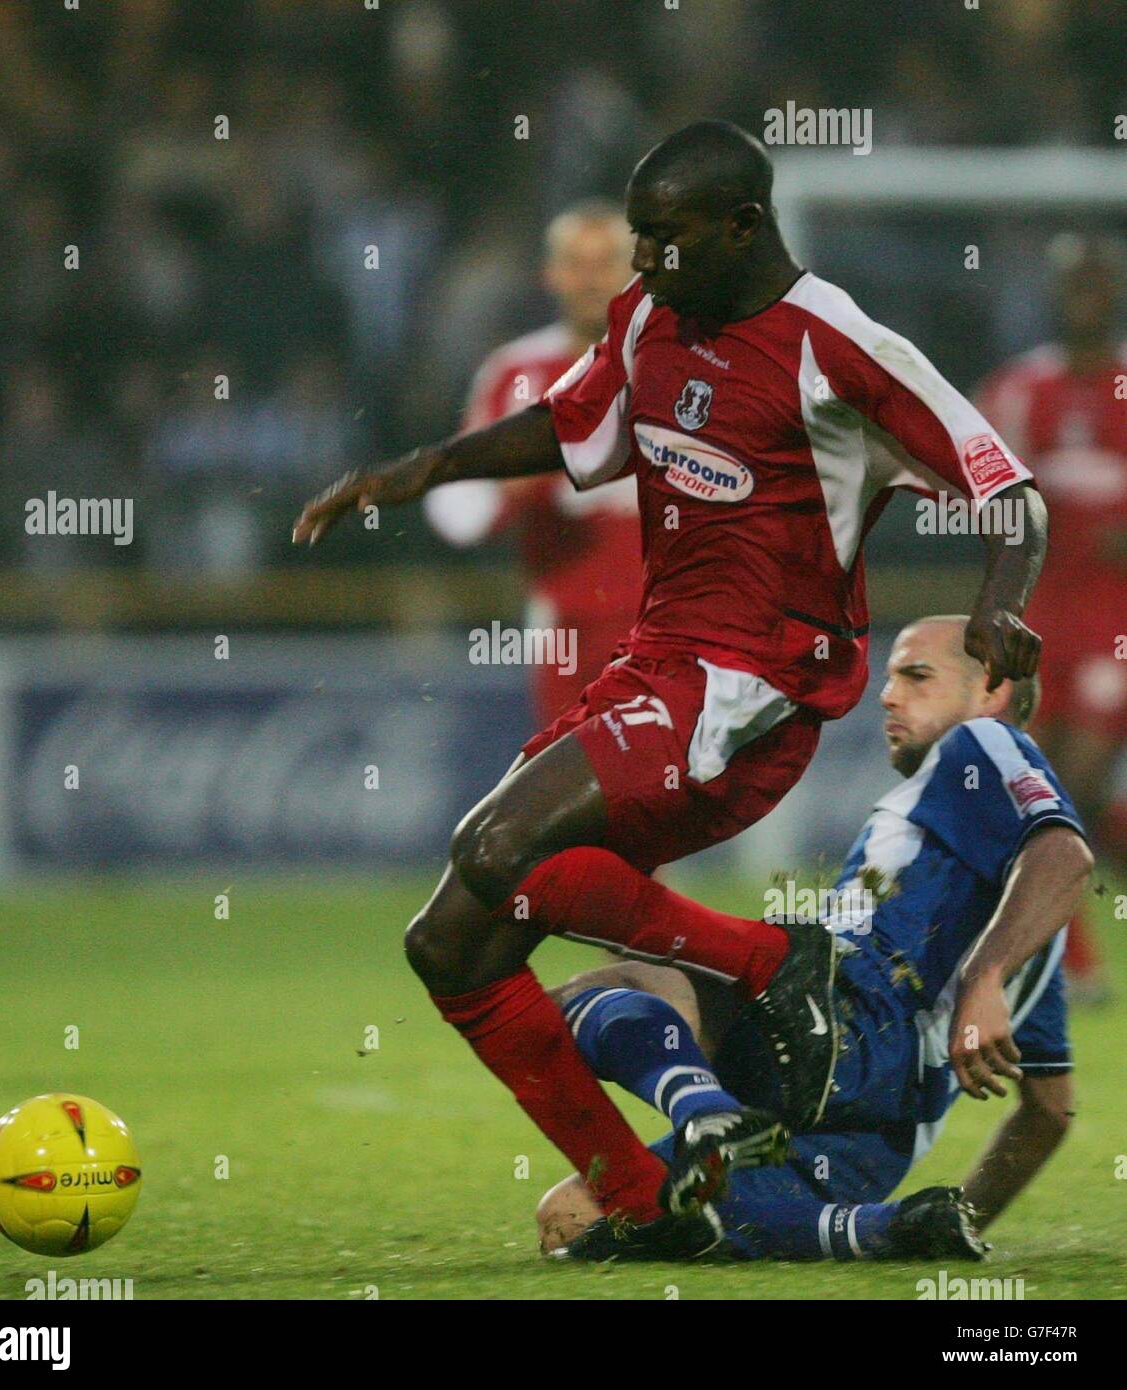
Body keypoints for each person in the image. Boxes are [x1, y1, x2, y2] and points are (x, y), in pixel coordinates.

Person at [292, 121, 1047, 1248]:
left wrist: (999, 603)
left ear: (741, 224)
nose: (639, 261)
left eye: (662, 238)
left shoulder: (839, 346)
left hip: (752, 686)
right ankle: (654, 1207)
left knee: (499, 850)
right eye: (635, 237)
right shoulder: (650, 317)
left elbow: (1008, 493)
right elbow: (571, 423)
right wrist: (432, 465)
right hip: (651, 667)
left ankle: (773, 964)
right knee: (449, 943)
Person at [537, 616, 1090, 1261]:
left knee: (610, 983)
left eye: (916, 677)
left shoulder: (985, 743)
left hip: (838, 1029)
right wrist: (966, 1213)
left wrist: (984, 979)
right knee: (573, 1218)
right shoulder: (1030, 934)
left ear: (992, 692)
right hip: (866, 1148)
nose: (888, 695)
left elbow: (1065, 852)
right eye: (889, 678)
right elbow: (1048, 1113)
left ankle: (704, 1111)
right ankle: (882, 1231)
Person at [977, 233, 1127, 1002]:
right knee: (1033, 786)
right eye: (1075, 284)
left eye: (1100, 283)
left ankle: (1067, 958)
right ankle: (1068, 961)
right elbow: (977, 484)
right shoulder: (1017, 388)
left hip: (1114, 618)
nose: (1087, 298)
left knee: (1080, 782)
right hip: (1040, 614)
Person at [424, 201, 641, 729]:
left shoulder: (686, 357)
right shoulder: (514, 372)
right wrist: (512, 490)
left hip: (674, 618)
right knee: (570, 784)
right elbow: (455, 503)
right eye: (575, 263)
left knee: (680, 788)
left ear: (636, 270)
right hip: (566, 619)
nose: (590, 279)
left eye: (606, 261)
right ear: (550, 274)